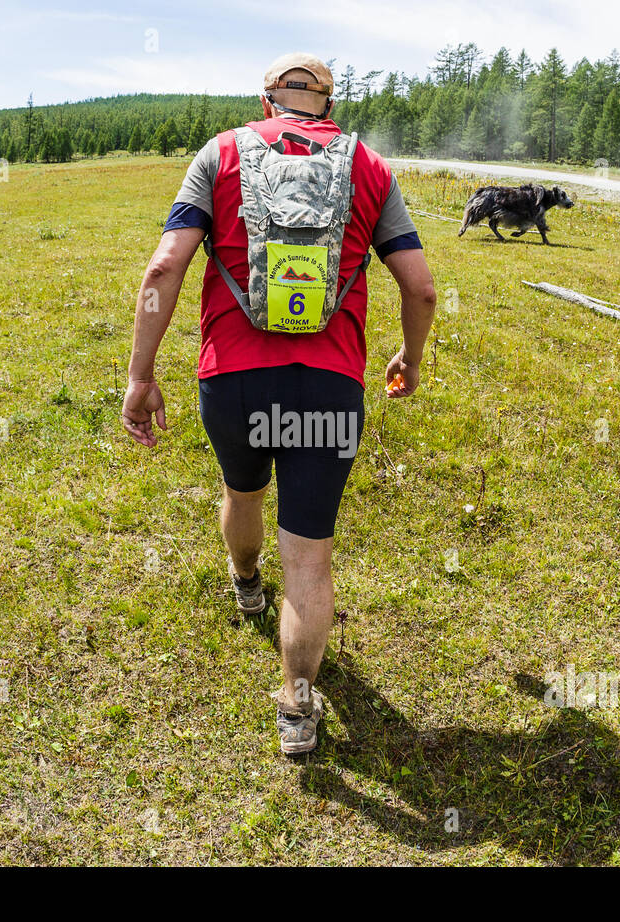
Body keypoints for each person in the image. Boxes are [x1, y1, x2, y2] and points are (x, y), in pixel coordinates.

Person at [122, 52, 436, 756]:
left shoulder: (220, 154)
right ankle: (297, 708)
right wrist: (409, 360)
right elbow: (420, 288)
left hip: (232, 379)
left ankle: (244, 585)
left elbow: (164, 266)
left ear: (267, 101)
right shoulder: (372, 169)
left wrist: (141, 375)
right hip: (326, 387)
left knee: (243, 491)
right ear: (328, 103)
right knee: (311, 558)